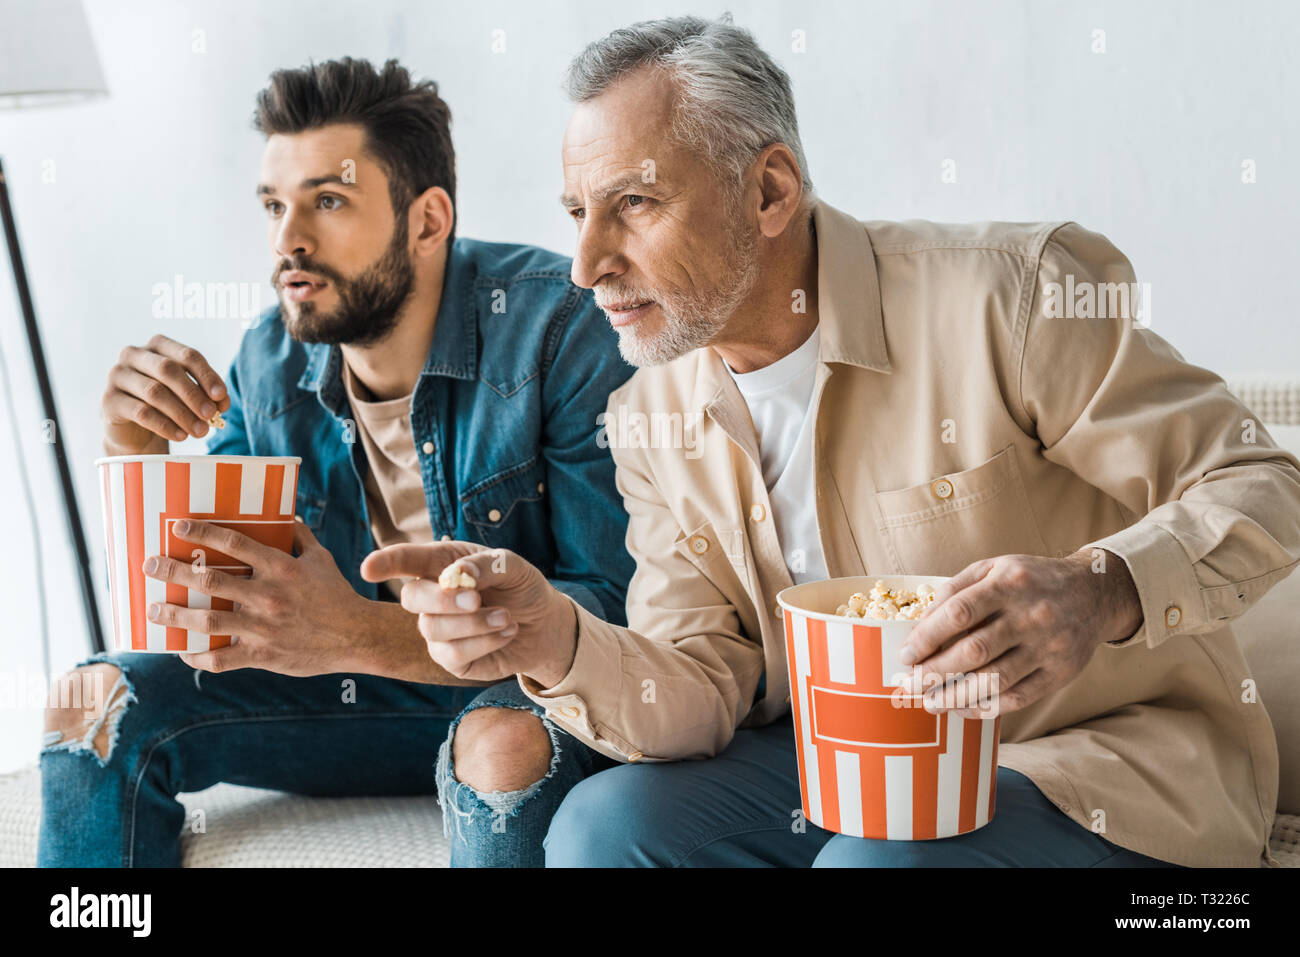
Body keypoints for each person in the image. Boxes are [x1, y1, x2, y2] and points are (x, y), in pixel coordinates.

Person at [363, 16, 1300, 867]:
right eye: (578, 213)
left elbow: (1263, 479)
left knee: (879, 862)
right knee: (600, 830)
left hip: (1104, 765)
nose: (586, 262)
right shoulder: (650, 411)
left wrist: (1102, 591)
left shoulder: (1011, 297)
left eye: (636, 205)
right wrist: (554, 638)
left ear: (769, 190)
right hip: (852, 767)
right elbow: (699, 678)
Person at [40, 57, 631, 868]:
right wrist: (131, 453)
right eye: (275, 205)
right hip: (356, 697)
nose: (288, 240)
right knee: (91, 700)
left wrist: (355, 632)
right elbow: (202, 603)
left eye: (327, 200)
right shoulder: (270, 357)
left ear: (428, 221)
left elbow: (619, 614)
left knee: (499, 746)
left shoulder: (557, 330)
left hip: (527, 698)